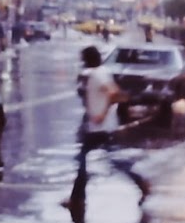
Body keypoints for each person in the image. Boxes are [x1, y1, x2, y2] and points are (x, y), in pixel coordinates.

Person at [63, 44, 149, 211]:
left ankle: (78, 199)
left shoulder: (96, 75)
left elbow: (113, 94)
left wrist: (102, 113)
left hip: (99, 128)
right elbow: (117, 92)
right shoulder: (103, 72)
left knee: (88, 162)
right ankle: (77, 198)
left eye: (83, 59)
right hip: (101, 127)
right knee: (100, 161)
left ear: (88, 60)